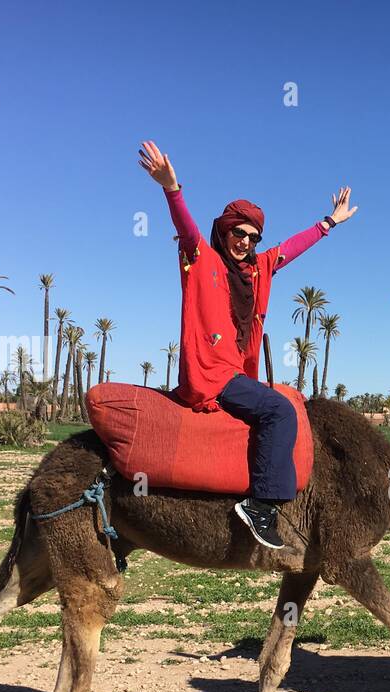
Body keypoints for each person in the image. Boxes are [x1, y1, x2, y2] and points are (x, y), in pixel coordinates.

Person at [138, 140, 357, 549]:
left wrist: (328, 222)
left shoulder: (257, 270)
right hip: (212, 376)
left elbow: (290, 249)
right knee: (278, 410)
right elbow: (186, 229)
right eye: (239, 232)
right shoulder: (202, 258)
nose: (245, 240)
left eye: (252, 236)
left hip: (236, 374)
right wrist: (171, 188)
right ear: (224, 230)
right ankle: (260, 506)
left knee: (288, 402)